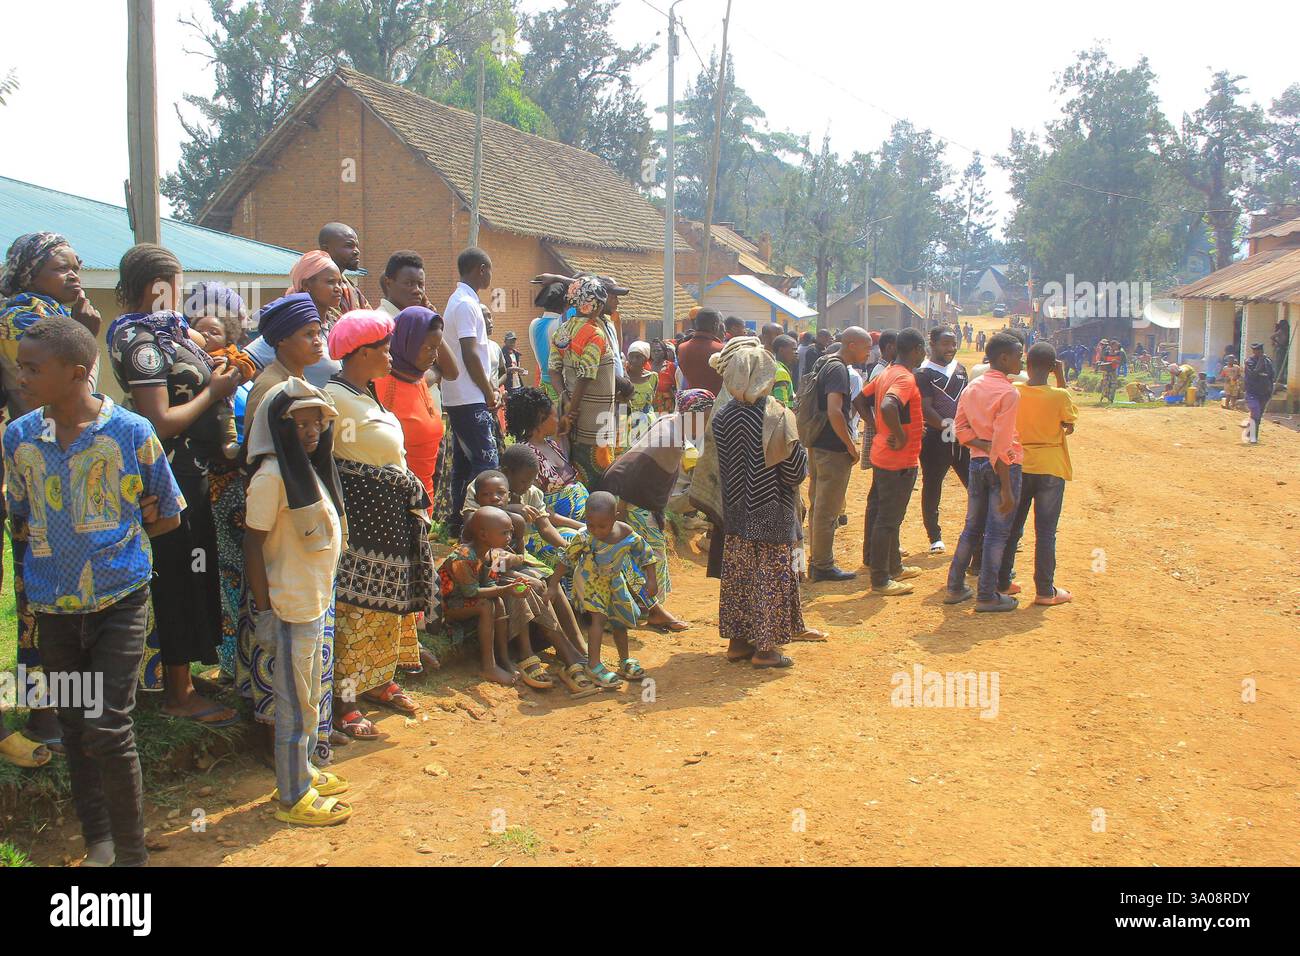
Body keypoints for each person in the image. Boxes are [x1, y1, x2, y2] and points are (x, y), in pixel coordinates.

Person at [4, 317, 185, 864]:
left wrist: (120, 539)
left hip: (119, 600)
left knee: (108, 725)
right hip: (54, 607)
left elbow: (169, 513)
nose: (22, 375)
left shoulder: (129, 433)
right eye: (21, 365)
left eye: (34, 368)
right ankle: (97, 841)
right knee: (75, 725)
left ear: (78, 373)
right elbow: (19, 514)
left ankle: (131, 854)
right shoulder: (18, 438)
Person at [107, 243, 243, 720]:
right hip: (166, 473)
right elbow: (160, 420)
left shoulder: (169, 332)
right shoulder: (139, 342)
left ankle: (187, 675)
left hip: (194, 472)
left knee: (194, 570)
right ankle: (177, 695)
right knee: (176, 574)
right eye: (177, 285)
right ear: (156, 287)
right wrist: (214, 391)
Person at [0, 232, 104, 757]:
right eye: (61, 267)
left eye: (77, 265)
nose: (74, 275)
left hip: (63, 468)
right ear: (27, 273)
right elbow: (49, 396)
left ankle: (68, 708)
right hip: (35, 470)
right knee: (36, 595)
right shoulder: (21, 316)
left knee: (67, 592)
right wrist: (83, 332)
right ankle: (43, 715)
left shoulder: (60, 316)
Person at [242, 377, 353, 826]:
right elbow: (253, 546)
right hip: (289, 607)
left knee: (309, 698)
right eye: (299, 424)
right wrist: (265, 614)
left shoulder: (308, 470)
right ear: (278, 427)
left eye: (317, 423)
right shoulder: (271, 479)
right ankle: (292, 796)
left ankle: (303, 770)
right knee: (292, 703)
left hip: (313, 602)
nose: (310, 432)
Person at [325, 310, 434, 738]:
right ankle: (346, 700)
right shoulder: (333, 398)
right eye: (383, 348)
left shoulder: (366, 394)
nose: (390, 354)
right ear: (361, 352)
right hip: (362, 521)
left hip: (390, 516)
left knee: (390, 606)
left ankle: (381, 681)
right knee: (358, 608)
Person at [711, 335, 822, 667]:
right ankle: (766, 650)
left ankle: (738, 644)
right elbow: (793, 473)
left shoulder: (722, 416)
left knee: (740, 575)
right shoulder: (776, 415)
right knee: (768, 577)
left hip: (735, 509)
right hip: (771, 508)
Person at [945, 332, 1025, 611]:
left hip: (976, 464)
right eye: (1018, 354)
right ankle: (987, 595)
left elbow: (961, 430)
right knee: (996, 533)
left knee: (972, 528)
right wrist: (1006, 487)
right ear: (1004, 358)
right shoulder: (1008, 393)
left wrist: (984, 444)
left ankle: (955, 586)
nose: (1021, 359)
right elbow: (1003, 447)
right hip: (1003, 468)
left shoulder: (972, 388)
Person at [546, 491, 658, 690]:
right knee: (598, 620)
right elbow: (566, 560)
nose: (595, 530)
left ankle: (624, 661)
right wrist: (553, 584)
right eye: (590, 524)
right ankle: (594, 665)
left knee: (619, 621)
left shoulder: (627, 534)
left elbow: (646, 554)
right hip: (591, 581)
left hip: (615, 582)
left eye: (602, 526)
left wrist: (651, 580)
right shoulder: (584, 537)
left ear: (615, 517)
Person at [995, 342, 1075, 607]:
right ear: (1052, 368)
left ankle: (1003, 581)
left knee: (1013, 528)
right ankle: (1044, 590)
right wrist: (1060, 378)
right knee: (1046, 532)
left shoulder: (1014, 391)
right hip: (1050, 466)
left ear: (1025, 364)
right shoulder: (1059, 396)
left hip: (1019, 463)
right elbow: (1069, 424)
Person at [856, 328, 927, 596]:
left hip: (884, 455)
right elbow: (888, 405)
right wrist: (896, 433)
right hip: (898, 460)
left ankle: (893, 567)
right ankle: (881, 579)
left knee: (882, 513)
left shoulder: (887, 372)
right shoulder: (904, 377)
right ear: (917, 349)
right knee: (888, 519)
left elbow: (860, 399)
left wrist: (877, 426)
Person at [372, 305, 460, 504]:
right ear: (407, 342)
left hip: (424, 496)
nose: (434, 355)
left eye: (436, 348)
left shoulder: (417, 380)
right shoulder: (383, 387)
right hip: (397, 502)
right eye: (428, 348)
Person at [804, 327, 872, 582]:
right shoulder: (838, 369)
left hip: (818, 444)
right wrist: (850, 445)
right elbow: (835, 410)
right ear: (851, 344)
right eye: (866, 347)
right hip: (832, 448)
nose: (868, 352)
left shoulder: (827, 364)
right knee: (827, 509)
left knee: (818, 504)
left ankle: (818, 561)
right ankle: (822, 565)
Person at [442, 247, 499, 532]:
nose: (490, 275)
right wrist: (489, 392)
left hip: (462, 395)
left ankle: (457, 521)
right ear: (481, 269)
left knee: (465, 464)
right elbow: (470, 353)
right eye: (489, 269)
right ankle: (483, 527)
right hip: (469, 397)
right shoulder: (465, 304)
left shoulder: (462, 301)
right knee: (488, 464)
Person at [551, 275, 617, 485]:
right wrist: (572, 409)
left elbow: (553, 370)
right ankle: (598, 510)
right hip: (594, 417)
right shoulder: (594, 334)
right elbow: (585, 376)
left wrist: (567, 401)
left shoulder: (561, 331)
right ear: (596, 305)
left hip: (573, 409)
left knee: (575, 460)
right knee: (599, 469)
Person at [245, 251, 344, 388]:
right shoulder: (293, 326)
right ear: (306, 285)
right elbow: (244, 361)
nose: (338, 289)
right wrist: (281, 391)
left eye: (340, 282)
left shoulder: (333, 325)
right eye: (330, 282)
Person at [916, 327, 970, 554]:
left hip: (963, 439)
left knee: (975, 485)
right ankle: (934, 536)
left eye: (953, 343)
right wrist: (951, 428)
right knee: (932, 485)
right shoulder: (923, 373)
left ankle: (976, 532)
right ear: (933, 345)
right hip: (936, 440)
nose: (951, 348)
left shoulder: (960, 370)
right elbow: (926, 409)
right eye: (946, 344)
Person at [506, 386, 590, 521]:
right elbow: (538, 508)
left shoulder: (551, 444)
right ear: (540, 419)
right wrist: (580, 527)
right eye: (555, 416)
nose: (558, 420)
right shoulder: (527, 456)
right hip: (557, 527)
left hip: (584, 520)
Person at [527, 280, 568, 402]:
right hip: (560, 387)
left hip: (543, 385)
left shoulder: (533, 324)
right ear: (565, 302)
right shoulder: (561, 324)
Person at [318, 222, 369, 312]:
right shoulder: (313, 288)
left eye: (356, 246)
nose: (356, 251)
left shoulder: (353, 291)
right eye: (349, 246)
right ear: (326, 250)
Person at [676, 308, 726, 393]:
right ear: (715, 325)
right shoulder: (721, 349)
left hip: (692, 400)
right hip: (717, 402)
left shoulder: (681, 348)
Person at [376, 250, 427, 319]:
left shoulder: (421, 321)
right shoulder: (380, 323)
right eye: (409, 284)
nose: (417, 290)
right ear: (388, 283)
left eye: (421, 285)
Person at [624, 340, 657, 443]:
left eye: (638, 357)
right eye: (631, 356)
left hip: (647, 424)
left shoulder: (653, 377)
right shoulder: (623, 377)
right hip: (626, 424)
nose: (634, 360)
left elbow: (651, 401)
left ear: (646, 359)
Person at [1243, 342, 1276, 443]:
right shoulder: (1249, 361)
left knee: (1258, 415)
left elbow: (1272, 375)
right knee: (1256, 411)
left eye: (1260, 351)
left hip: (1265, 392)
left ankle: (1250, 431)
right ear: (1254, 351)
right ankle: (1253, 437)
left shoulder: (1268, 361)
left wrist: (1271, 388)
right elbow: (1253, 374)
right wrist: (1261, 361)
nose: (1259, 353)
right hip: (1252, 392)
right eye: (1257, 351)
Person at [649, 338, 678, 414]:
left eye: (659, 350)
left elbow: (676, 386)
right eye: (653, 351)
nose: (656, 353)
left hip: (666, 406)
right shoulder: (645, 366)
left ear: (664, 352)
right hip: (648, 406)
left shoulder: (671, 367)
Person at [771, 334, 798, 409]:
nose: (796, 352)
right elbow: (782, 404)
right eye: (793, 349)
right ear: (781, 350)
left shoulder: (773, 365)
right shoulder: (781, 372)